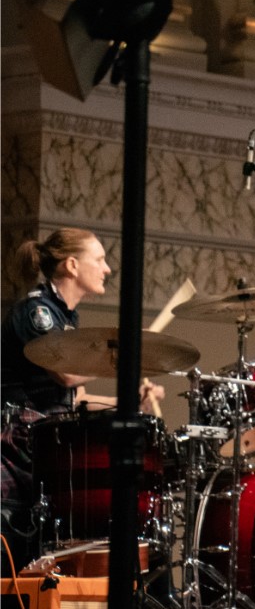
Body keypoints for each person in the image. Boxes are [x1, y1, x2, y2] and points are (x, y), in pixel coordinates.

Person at [1, 228, 163, 569]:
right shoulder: (37, 312)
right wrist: (121, 357)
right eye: (100, 259)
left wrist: (129, 401)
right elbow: (66, 373)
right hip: (15, 452)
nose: (107, 268)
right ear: (72, 265)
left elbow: (76, 399)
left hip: (38, 452)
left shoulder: (64, 318)